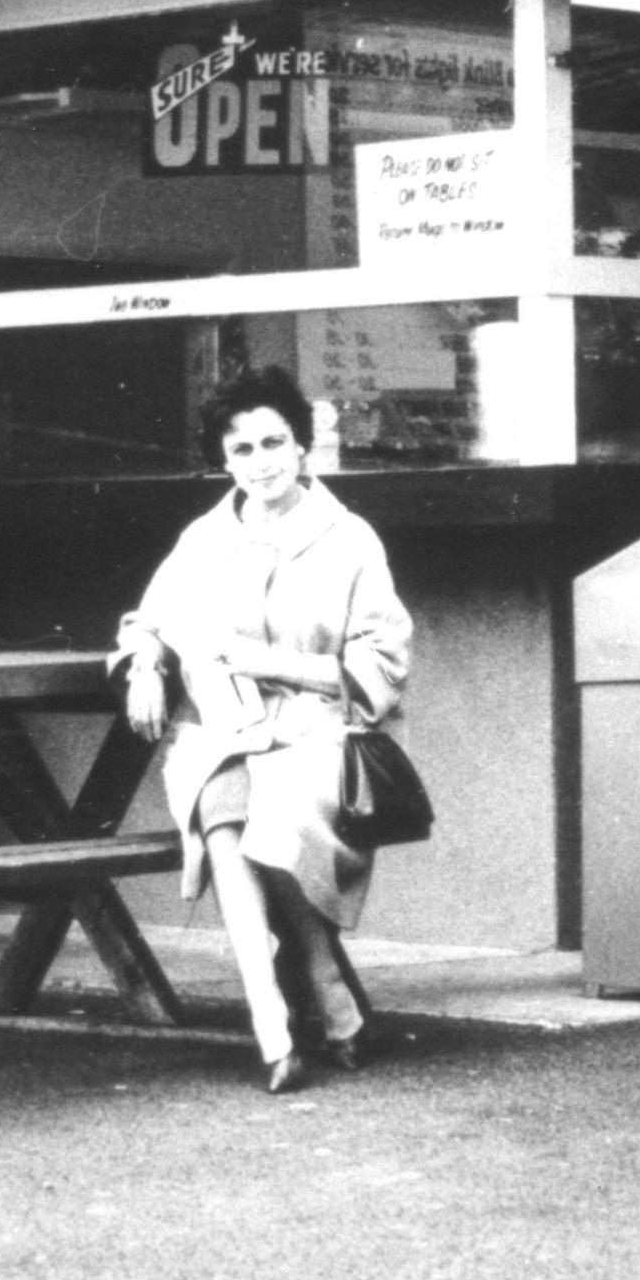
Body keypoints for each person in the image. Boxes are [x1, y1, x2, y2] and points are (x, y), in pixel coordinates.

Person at [114, 364, 416, 1093]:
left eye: (274, 442)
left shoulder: (349, 539)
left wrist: (264, 660)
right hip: (226, 730)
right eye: (242, 449)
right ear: (223, 459)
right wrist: (147, 664)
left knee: (274, 817)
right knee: (222, 815)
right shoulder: (204, 537)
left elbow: (381, 669)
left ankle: (320, 977)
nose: (261, 462)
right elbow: (147, 618)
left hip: (322, 733)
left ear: (303, 447)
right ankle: (272, 1029)